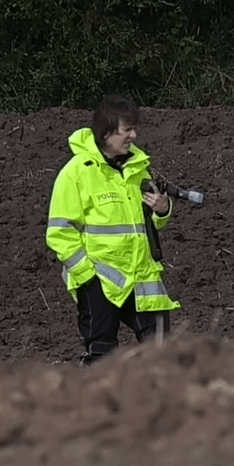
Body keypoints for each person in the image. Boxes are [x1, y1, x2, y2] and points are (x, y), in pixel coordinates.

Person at [46, 95, 182, 366]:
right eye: (127, 129)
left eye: (134, 128)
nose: (134, 134)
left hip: (143, 278)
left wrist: (163, 209)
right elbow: (59, 232)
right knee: (102, 360)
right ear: (106, 133)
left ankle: (166, 405)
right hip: (101, 280)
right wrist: (88, 278)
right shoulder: (76, 173)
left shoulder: (139, 170)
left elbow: (151, 227)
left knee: (164, 355)